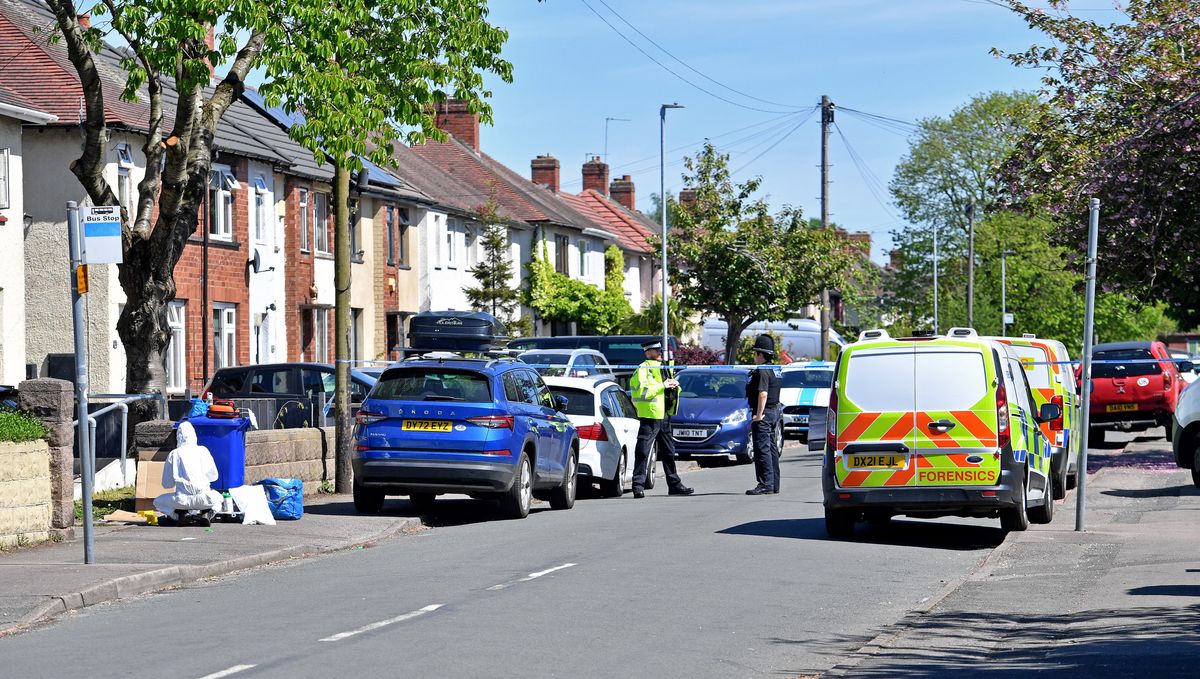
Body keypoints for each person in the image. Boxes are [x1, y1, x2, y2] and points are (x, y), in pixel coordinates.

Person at [630, 340, 694, 499]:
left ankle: (674, 484)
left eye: (660, 350)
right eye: (656, 350)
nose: (659, 352)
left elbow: (667, 390)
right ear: (647, 352)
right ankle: (638, 485)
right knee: (643, 452)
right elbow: (643, 392)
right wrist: (663, 385)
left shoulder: (664, 366)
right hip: (650, 416)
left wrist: (674, 385)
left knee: (669, 452)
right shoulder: (643, 369)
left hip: (664, 415)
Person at [153, 421, 224, 526]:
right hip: (204, 498)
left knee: (157, 502)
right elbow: (213, 477)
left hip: (182, 500)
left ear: (178, 437)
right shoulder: (203, 450)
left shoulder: (174, 453)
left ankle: (181, 516)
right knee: (220, 499)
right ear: (194, 435)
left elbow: (167, 484)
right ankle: (206, 514)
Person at [745, 334, 782, 495]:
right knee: (771, 449)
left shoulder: (762, 371)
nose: (754, 356)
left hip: (765, 413)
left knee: (762, 449)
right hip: (774, 411)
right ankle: (773, 483)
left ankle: (765, 483)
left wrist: (759, 415)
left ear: (760, 354)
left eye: (755, 353)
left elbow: (763, 394)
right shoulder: (774, 369)